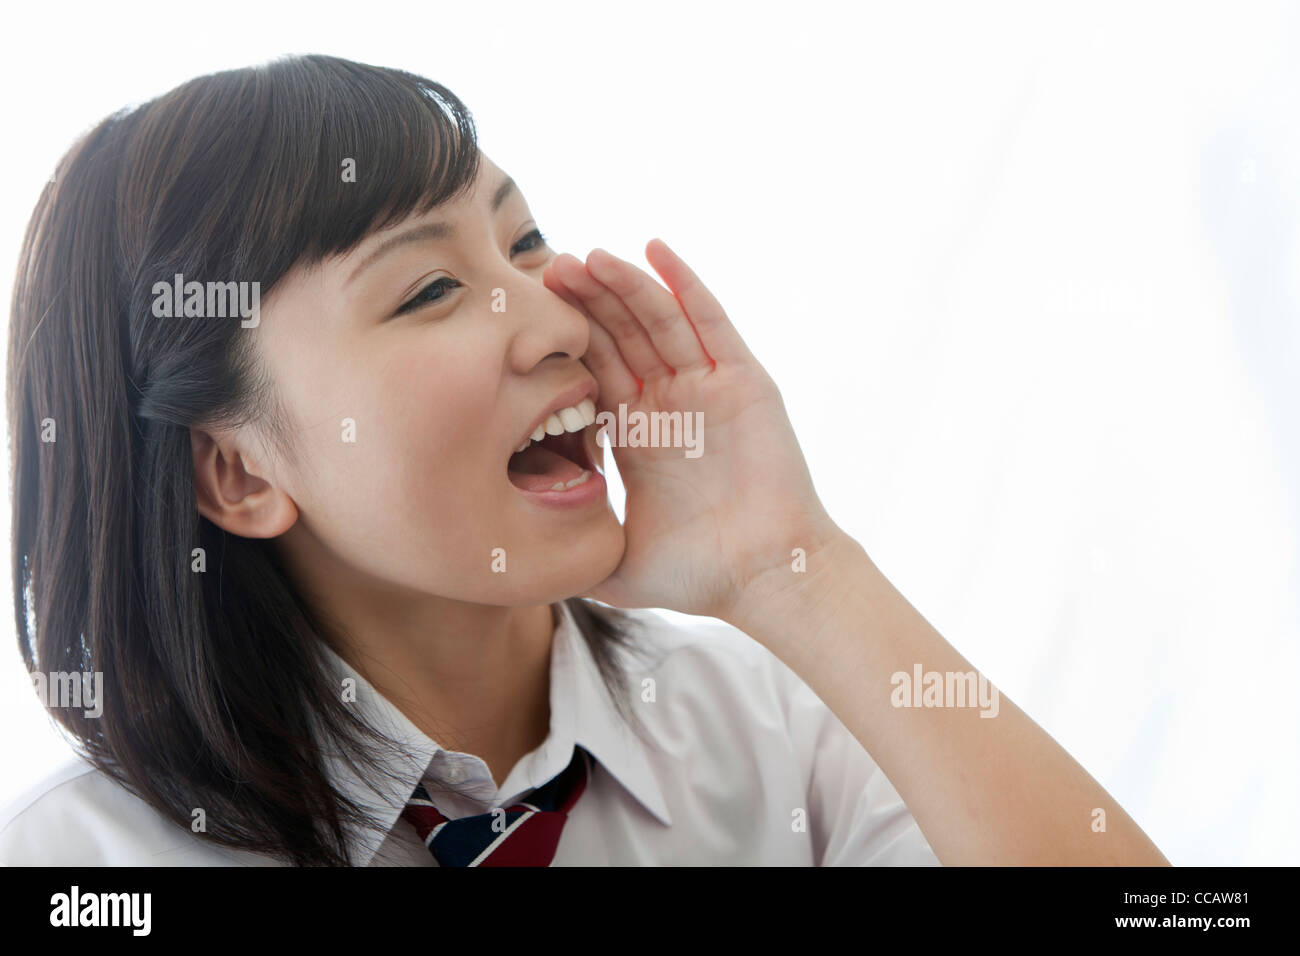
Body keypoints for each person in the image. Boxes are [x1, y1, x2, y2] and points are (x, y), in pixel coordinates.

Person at [0, 53, 1168, 866]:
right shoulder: (81, 862)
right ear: (241, 473)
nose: (557, 322)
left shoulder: (765, 733)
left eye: (524, 241)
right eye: (431, 288)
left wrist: (790, 563)